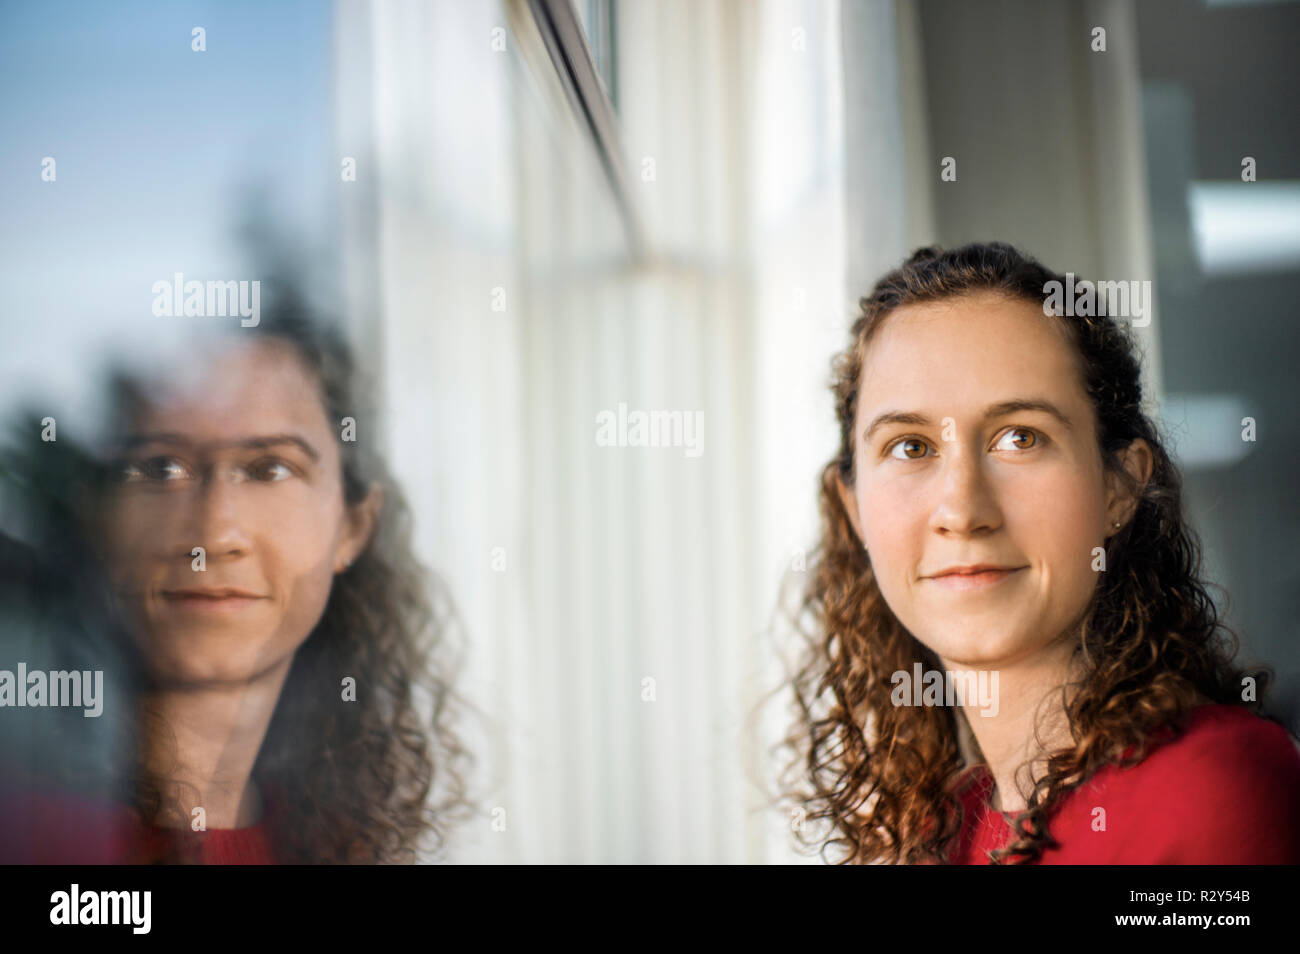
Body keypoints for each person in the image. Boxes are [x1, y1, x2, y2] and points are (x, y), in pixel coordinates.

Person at [784, 241, 1300, 864]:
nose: (963, 510)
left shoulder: (1209, 789)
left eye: (1020, 437)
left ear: (1120, 485)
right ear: (853, 508)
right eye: (910, 447)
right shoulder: (948, 829)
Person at [0, 296, 468, 863]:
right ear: (102, 518)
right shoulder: (30, 832)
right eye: (161, 468)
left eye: (271, 468)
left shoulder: (331, 841)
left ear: (352, 526)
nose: (214, 532)